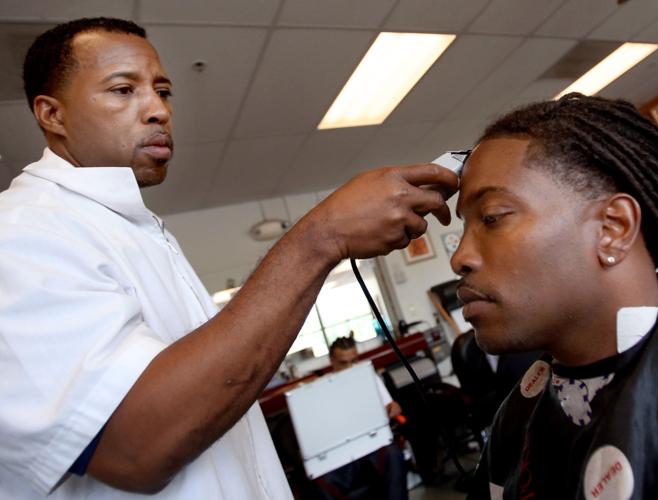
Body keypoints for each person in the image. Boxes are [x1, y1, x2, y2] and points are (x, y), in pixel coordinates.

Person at [0, 17, 457, 499]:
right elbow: (135, 446)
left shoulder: (133, 229)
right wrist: (320, 237)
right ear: (52, 115)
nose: (157, 109)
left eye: (163, 90)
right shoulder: (21, 230)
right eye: (122, 90)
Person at [454, 94, 658, 499]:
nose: (460, 257)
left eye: (491, 217)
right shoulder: (520, 410)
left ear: (613, 227)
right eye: (463, 230)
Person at [312, 336, 408, 500]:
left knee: (393, 455)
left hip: (372, 443)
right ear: (331, 360)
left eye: (353, 361)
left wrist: (391, 409)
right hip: (340, 451)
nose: (350, 367)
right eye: (343, 363)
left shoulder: (367, 375)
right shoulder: (320, 388)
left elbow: (395, 408)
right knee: (322, 480)